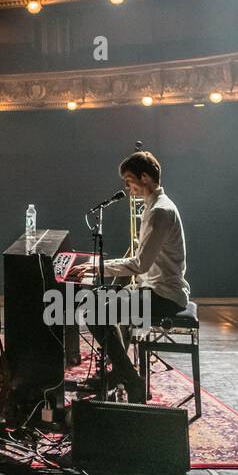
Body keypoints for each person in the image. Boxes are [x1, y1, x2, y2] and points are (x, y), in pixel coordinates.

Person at [67, 150, 190, 403]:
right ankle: (117, 374)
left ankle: (129, 380)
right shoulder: (154, 207)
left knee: (94, 313)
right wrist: (99, 267)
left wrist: (97, 268)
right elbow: (139, 256)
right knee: (101, 303)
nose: (127, 187)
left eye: (129, 180)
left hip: (165, 296)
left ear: (144, 177)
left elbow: (140, 264)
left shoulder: (159, 212)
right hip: (154, 290)